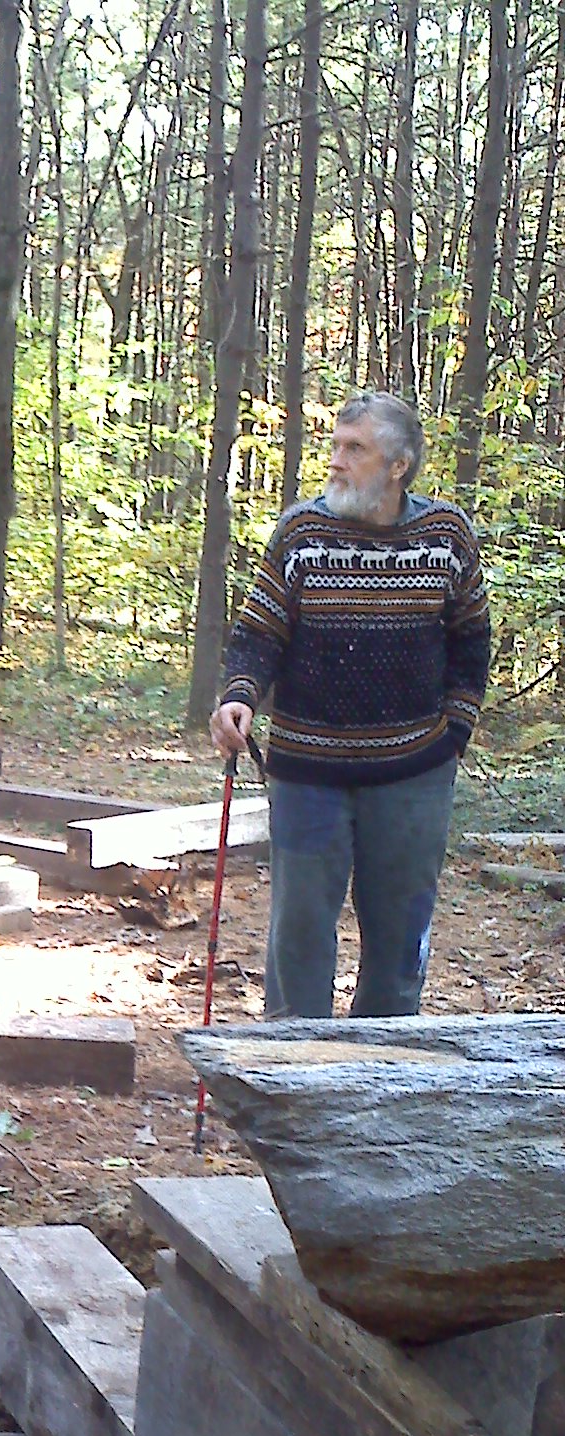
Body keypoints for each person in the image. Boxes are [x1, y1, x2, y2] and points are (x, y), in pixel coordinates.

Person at [209, 391, 491, 1019]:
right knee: (301, 933)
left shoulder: (445, 535)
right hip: (308, 768)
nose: (336, 460)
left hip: (415, 770)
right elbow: (260, 631)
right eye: (335, 445)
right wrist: (238, 696)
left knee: (398, 940)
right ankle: (287, 1083)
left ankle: (381, 1083)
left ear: (398, 466)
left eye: (354, 449)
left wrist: (455, 732)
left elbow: (472, 637)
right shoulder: (302, 531)